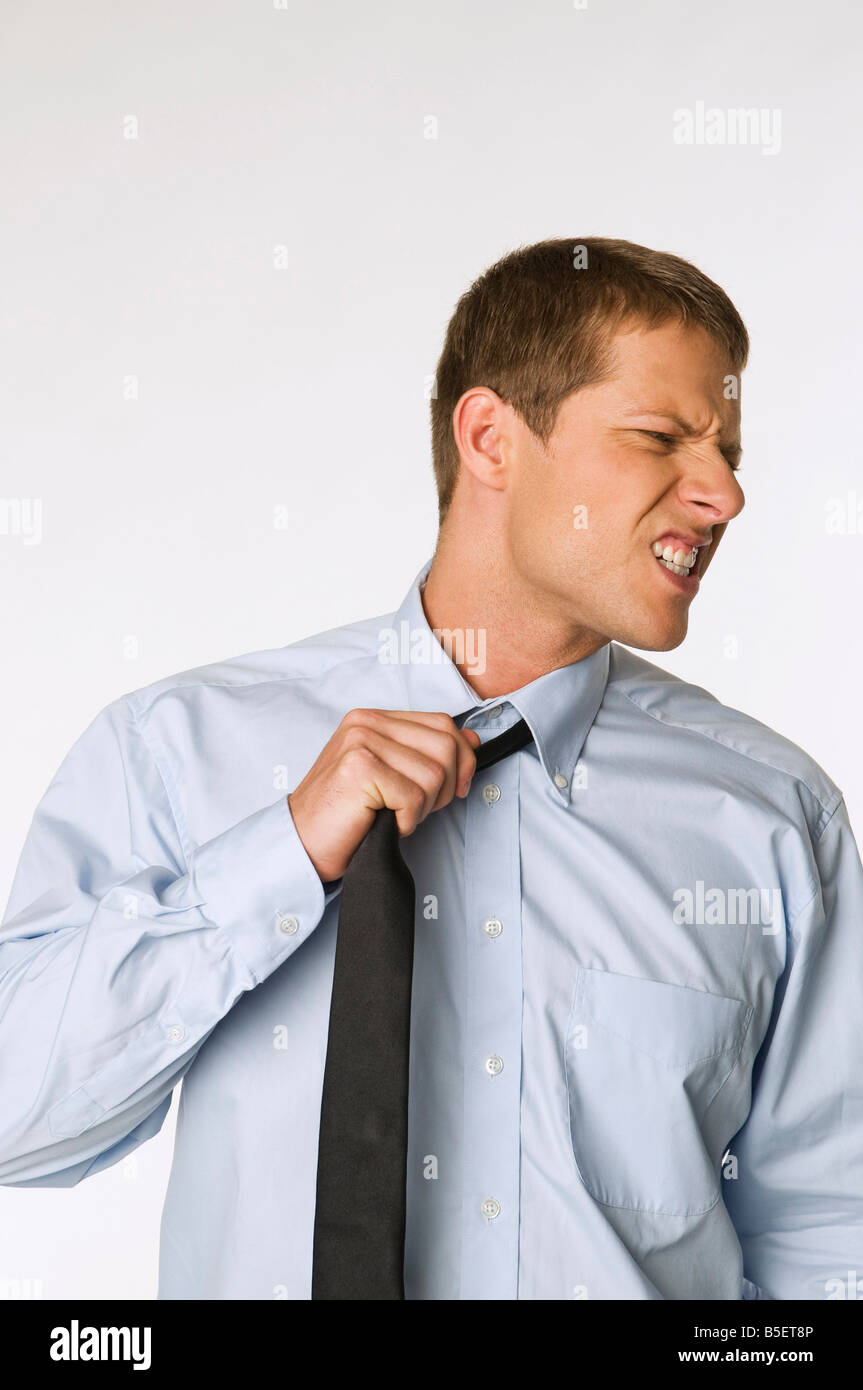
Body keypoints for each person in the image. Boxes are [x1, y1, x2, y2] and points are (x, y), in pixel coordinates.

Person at [2, 237, 861, 1300]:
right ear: (492, 437)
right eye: (660, 439)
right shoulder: (177, 751)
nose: (723, 495)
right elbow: (15, 1123)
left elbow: (828, 1236)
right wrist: (279, 857)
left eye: (729, 453)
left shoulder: (769, 815)